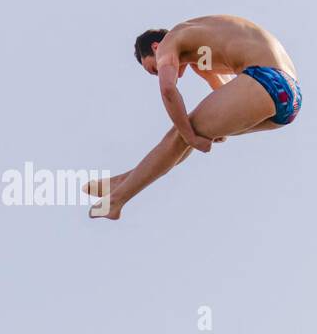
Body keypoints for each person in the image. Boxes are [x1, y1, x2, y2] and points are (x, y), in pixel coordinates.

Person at [88, 14, 302, 219]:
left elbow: (168, 90)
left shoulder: (171, 40)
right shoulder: (202, 46)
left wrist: (190, 134)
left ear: (155, 47)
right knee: (185, 136)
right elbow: (222, 87)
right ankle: (126, 180)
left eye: (154, 68)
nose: (160, 71)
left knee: (181, 133)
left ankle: (116, 200)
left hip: (267, 80)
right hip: (289, 99)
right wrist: (219, 126)